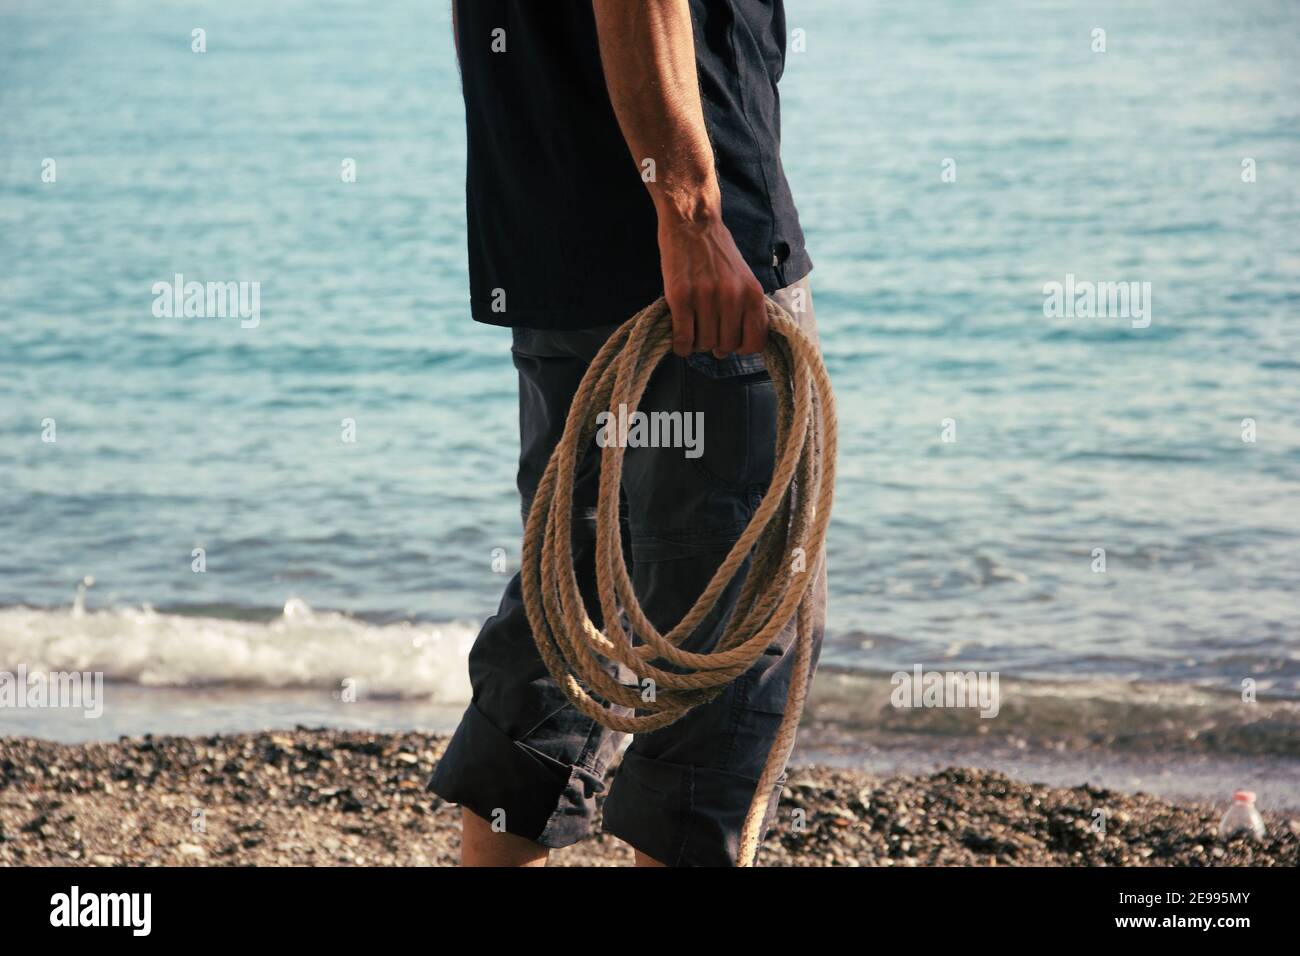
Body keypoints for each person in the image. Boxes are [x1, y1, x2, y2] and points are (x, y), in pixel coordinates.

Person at [427, 0, 826, 867]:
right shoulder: (688, 226)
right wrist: (689, 214)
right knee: (735, 627)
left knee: (564, 611)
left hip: (550, 236)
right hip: (687, 258)